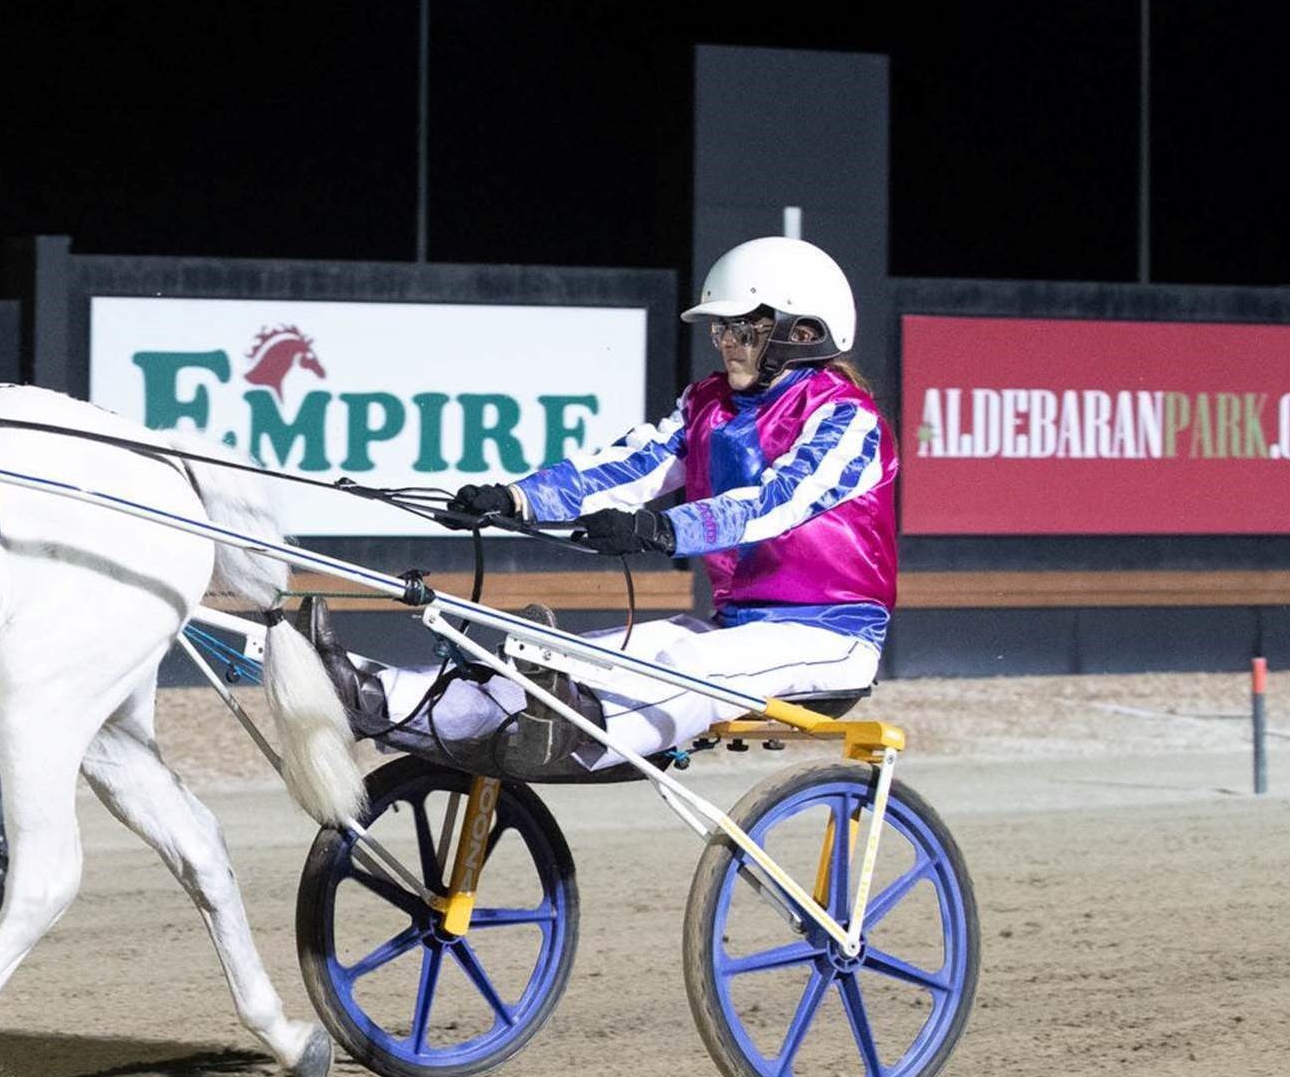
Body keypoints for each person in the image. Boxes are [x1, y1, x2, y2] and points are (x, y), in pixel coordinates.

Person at [296, 236, 897, 774]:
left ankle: (567, 725)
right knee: (565, 652)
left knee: (685, 664)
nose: (727, 345)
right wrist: (518, 496)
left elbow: (776, 501)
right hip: (736, 626)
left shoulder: (849, 420)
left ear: (800, 332)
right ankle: (382, 698)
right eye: (722, 331)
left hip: (830, 635)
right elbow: (627, 465)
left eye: (742, 330)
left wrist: (660, 529)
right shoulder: (706, 403)